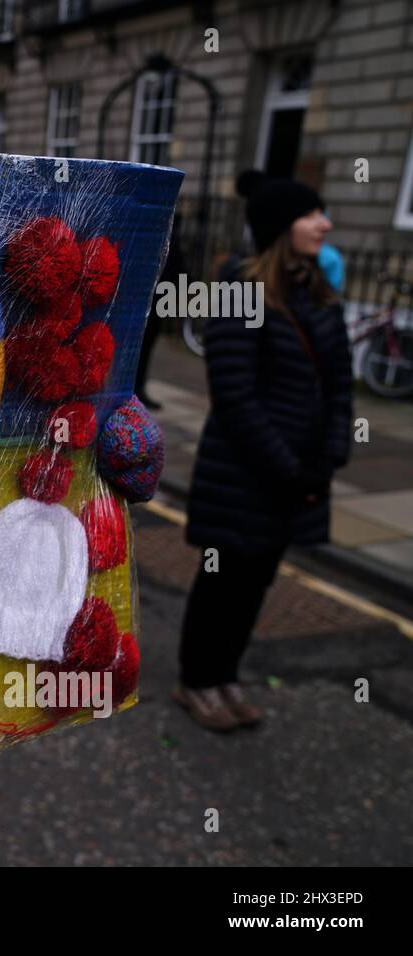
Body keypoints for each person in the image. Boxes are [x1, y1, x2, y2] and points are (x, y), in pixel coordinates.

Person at [176, 171, 353, 732]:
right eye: (311, 215)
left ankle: (227, 674)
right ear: (281, 227)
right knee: (222, 584)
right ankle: (197, 682)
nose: (324, 223)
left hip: (296, 477)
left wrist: (330, 455)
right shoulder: (239, 289)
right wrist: (288, 466)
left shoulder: (317, 293)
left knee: (256, 584)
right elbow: (234, 396)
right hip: (246, 475)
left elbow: (340, 387)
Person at [135, 212, 185, 409]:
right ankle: (135, 387)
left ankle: (139, 387)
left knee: (148, 343)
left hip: (162, 294)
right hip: (149, 291)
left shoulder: (171, 224)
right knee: (139, 344)